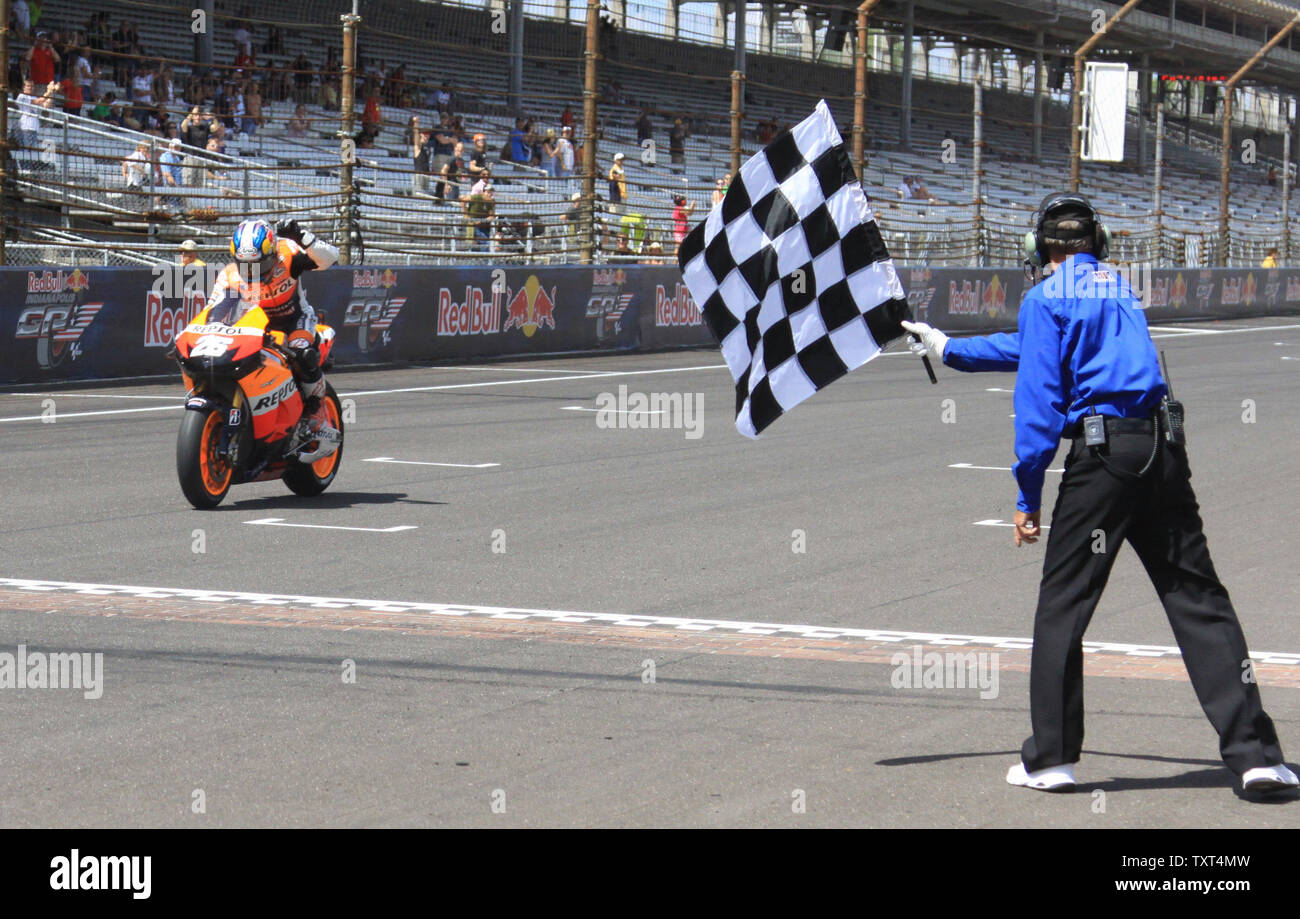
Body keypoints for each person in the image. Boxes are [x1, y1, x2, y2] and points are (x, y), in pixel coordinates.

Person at [902, 192, 1297, 796]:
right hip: (1161, 450)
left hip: (1103, 460)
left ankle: (1052, 758)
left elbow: (1037, 407)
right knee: (1197, 595)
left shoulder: (1043, 297)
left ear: (1039, 249)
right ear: (1099, 244)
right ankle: (1255, 755)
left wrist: (1027, 496)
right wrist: (949, 348)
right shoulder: (1118, 290)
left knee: (1064, 602)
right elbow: (1036, 348)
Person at [204, 219, 341, 462]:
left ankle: (316, 410)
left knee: (302, 353)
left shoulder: (288, 254)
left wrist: (303, 237)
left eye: (259, 263)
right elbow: (213, 309)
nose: (253, 270)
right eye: (245, 265)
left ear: (271, 252)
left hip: (294, 321)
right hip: (254, 326)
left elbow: (330, 258)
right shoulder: (229, 276)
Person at [464, 183, 496, 252]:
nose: (490, 194)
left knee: (487, 241)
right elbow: (463, 199)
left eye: (491, 192)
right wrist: (466, 214)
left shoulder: (490, 202)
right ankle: (485, 261)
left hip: (483, 225)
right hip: (474, 224)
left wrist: (482, 221)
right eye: (488, 192)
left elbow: (491, 215)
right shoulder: (476, 197)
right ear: (483, 192)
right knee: (486, 242)